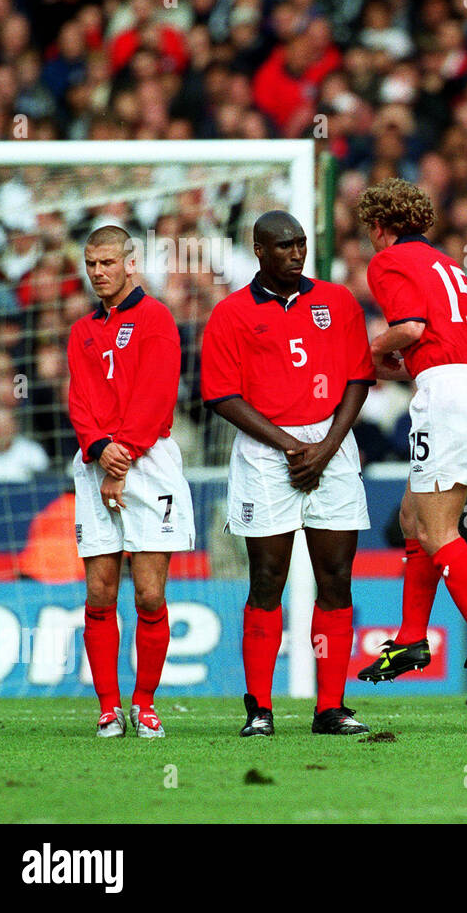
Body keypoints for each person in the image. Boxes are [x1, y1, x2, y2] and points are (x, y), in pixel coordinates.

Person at [200, 211, 374, 737]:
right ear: (259, 250)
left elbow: (358, 378)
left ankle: (331, 708)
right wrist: (291, 446)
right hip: (264, 451)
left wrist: (325, 447)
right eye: (284, 246)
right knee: (267, 580)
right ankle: (259, 710)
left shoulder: (337, 301)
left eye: (300, 244)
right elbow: (222, 396)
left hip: (332, 446)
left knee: (336, 579)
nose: (297, 253)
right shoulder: (230, 314)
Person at [350, 178, 467, 704]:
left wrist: (364, 351)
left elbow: (408, 327)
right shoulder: (444, 261)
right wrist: (391, 363)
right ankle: (410, 638)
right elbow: (435, 346)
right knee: (412, 518)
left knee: (439, 529)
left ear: (379, 227)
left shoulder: (388, 261)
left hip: (446, 399)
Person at [67, 225, 195, 738]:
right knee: (99, 591)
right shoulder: (81, 331)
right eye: (91, 264)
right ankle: (108, 706)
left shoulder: (157, 318)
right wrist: (100, 451)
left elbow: (157, 393)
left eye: (107, 263)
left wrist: (123, 459)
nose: (98, 272)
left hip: (150, 462)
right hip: (97, 459)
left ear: (129, 262)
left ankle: (144, 703)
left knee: (148, 594)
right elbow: (80, 400)